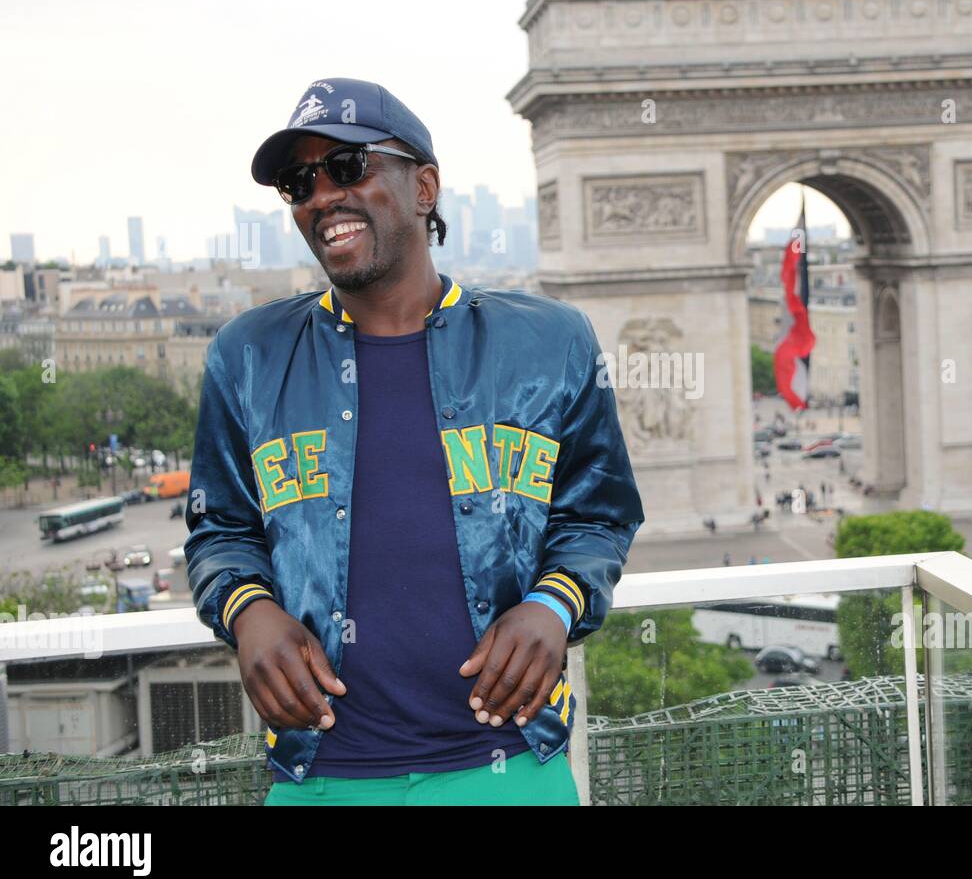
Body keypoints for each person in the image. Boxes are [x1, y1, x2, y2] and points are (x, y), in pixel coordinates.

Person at [185, 79, 644, 807]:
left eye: (347, 167)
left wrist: (554, 604)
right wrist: (248, 609)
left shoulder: (551, 342)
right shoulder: (246, 354)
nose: (320, 196)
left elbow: (600, 513)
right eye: (299, 183)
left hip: (508, 766)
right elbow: (219, 528)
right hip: (320, 776)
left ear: (423, 185)